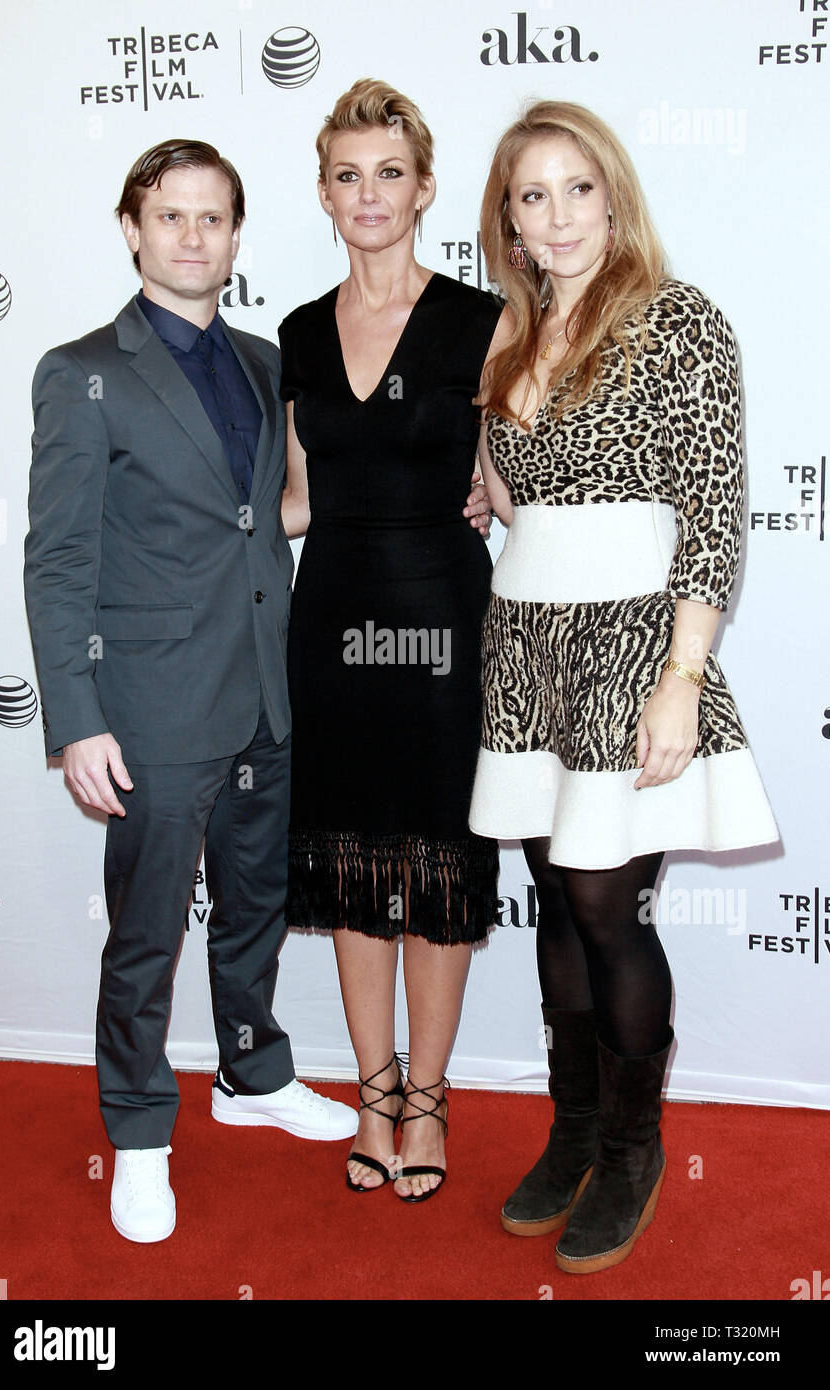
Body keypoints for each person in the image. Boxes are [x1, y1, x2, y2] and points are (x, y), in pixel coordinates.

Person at [23, 138, 358, 1245]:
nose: (192, 235)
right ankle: (136, 1129)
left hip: (266, 688)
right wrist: (75, 718)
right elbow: (59, 558)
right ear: (132, 228)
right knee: (147, 931)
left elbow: (267, 516)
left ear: (233, 236)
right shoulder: (82, 372)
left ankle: (252, 1073)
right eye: (170, 216)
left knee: (254, 904)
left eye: (212, 218)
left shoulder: (266, 363)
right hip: (154, 705)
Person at [469, 101, 778, 1271]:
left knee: (604, 900)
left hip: (632, 644)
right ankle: (574, 1133)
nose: (555, 217)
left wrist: (680, 678)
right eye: (529, 195)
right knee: (554, 895)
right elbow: (514, 498)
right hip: (525, 642)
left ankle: (635, 1147)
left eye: (574, 189)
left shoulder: (679, 321)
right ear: (507, 215)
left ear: (614, 194)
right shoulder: (508, 335)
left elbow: (710, 513)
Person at [279, 79, 507, 1202]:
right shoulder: (295, 333)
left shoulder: (480, 321)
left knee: (436, 864)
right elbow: (291, 501)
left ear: (423, 188)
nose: (368, 194)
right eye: (346, 174)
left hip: (443, 626)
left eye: (389, 173)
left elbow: (512, 482)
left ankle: (427, 1100)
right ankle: (372, 1090)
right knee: (351, 864)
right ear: (323, 192)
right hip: (331, 623)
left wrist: (495, 491)